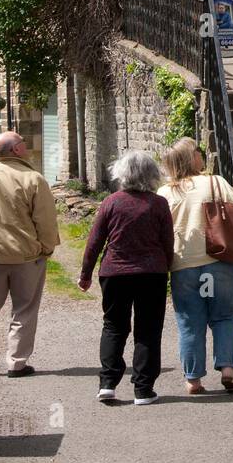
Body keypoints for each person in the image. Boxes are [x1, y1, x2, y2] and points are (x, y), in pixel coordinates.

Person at [0, 130, 60, 379]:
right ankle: (16, 363)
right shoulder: (33, 179)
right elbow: (46, 221)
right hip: (25, 257)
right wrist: (46, 248)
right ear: (16, 150)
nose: (25, 145)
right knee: (24, 310)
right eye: (23, 142)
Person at [78, 150, 174, 405]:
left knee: (114, 326)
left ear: (121, 173)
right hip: (151, 273)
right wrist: (170, 269)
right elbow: (168, 243)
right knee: (148, 330)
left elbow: (95, 242)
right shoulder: (159, 204)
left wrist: (86, 274)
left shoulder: (111, 202)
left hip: (115, 273)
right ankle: (143, 388)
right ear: (152, 175)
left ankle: (107, 383)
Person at [159, 137, 233, 394]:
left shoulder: (166, 193)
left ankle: (193, 380)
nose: (201, 154)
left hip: (184, 266)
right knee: (225, 317)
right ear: (191, 158)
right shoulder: (216, 182)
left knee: (190, 321)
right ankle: (228, 370)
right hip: (221, 261)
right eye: (197, 151)